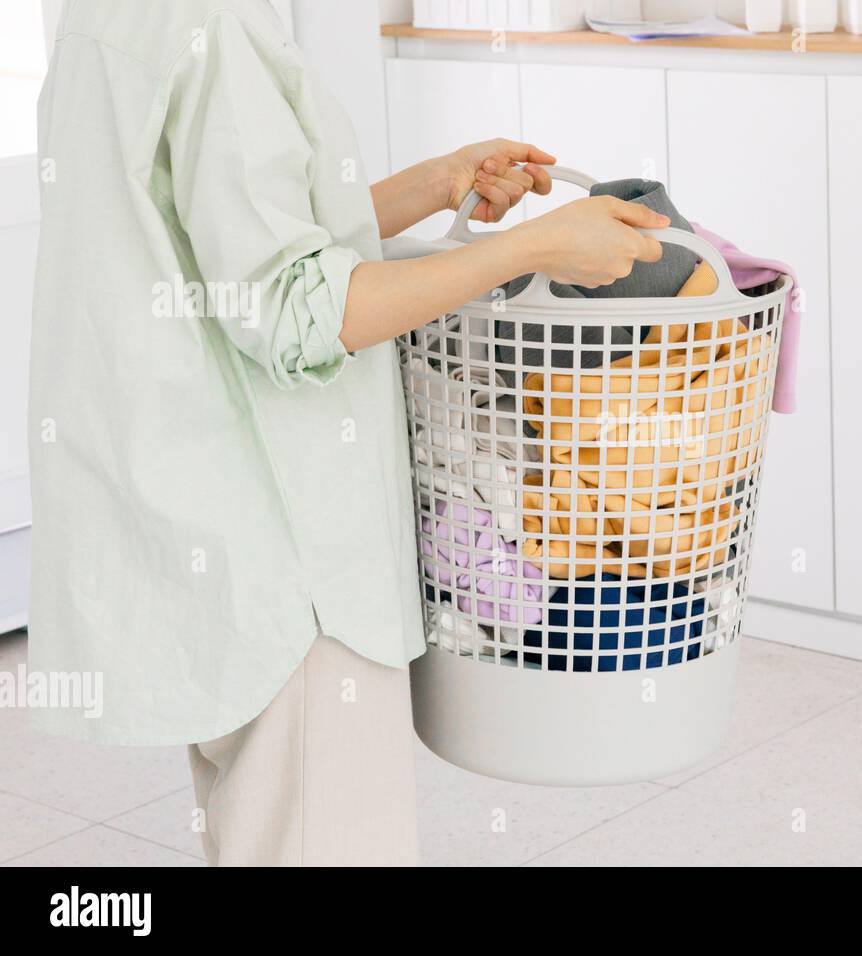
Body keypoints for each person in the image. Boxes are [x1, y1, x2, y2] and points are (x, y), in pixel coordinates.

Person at [27, 0, 668, 866]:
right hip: (289, 551)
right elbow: (299, 314)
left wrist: (436, 185)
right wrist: (532, 251)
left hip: (204, 530)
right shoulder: (217, 28)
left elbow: (234, 239)